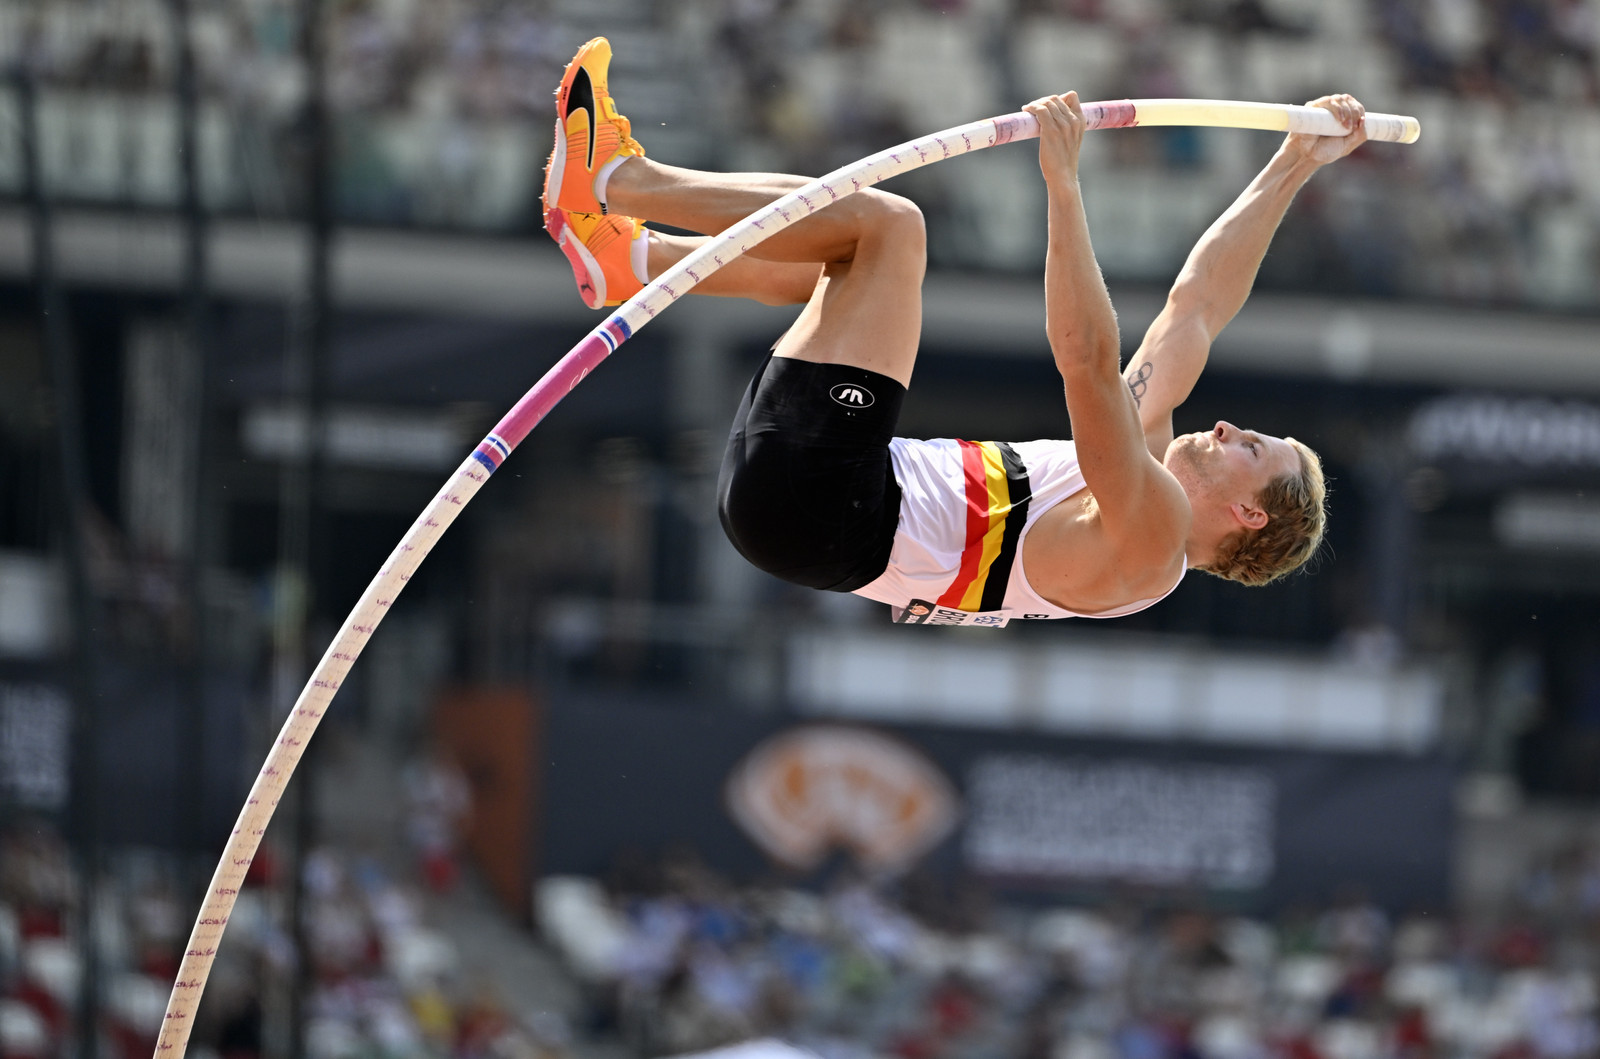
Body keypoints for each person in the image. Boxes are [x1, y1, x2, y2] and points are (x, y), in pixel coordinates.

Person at [542, 38, 1364, 627]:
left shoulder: (1149, 541)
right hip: (813, 502)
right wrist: (1293, 163)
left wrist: (1062, 184)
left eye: (1252, 447)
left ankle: (620, 177)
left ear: (1248, 517)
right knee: (833, 261)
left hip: (826, 506)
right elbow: (1198, 305)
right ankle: (635, 261)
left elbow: (1085, 363)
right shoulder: (1142, 461)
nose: (1227, 426)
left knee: (891, 230)